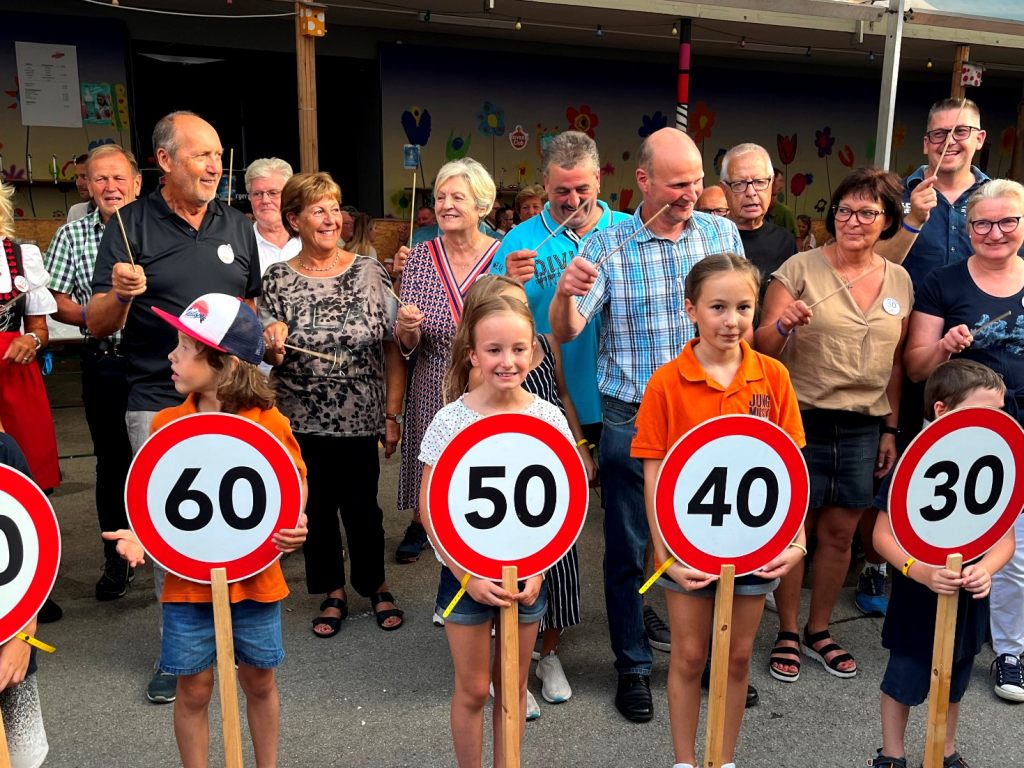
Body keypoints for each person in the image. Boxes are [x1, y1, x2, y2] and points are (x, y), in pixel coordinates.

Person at [550, 127, 744, 722]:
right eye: (678, 183)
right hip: (631, 416)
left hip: (709, 411)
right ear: (643, 181)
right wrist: (564, 294)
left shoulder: (720, 233)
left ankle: (704, 660)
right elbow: (567, 331)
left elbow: (740, 315)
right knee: (629, 546)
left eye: (697, 181)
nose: (691, 193)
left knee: (711, 540)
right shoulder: (608, 243)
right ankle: (632, 665)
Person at [87, 110, 261, 704]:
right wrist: (119, 295)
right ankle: (179, 651)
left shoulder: (237, 224)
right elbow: (96, 323)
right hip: (157, 399)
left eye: (218, 155)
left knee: (233, 516)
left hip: (230, 400)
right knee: (172, 526)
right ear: (163, 161)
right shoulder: (129, 224)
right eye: (201, 155)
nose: (215, 167)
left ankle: (233, 633)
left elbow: (250, 307)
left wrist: (268, 332)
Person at [104, 292, 308, 768]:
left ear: (226, 363)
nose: (171, 356)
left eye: (184, 347)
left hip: (255, 579)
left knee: (259, 681)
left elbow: (292, 486)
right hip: (187, 584)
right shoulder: (166, 423)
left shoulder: (269, 423)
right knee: (192, 689)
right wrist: (140, 535)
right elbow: (156, 501)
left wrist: (296, 524)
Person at [633, 254, 806, 768]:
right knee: (689, 655)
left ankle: (723, 759)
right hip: (687, 544)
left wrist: (796, 539)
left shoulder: (772, 376)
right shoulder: (667, 382)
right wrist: (665, 553)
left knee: (736, 656)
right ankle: (685, 760)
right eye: (717, 307)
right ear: (691, 309)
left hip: (754, 542)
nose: (732, 320)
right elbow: (654, 473)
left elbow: (790, 466)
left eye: (743, 307)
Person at [756, 167, 912, 683]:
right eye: (845, 210)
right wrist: (783, 324)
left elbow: (895, 363)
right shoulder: (799, 268)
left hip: (864, 424)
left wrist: (890, 429)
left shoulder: (899, 279)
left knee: (841, 534)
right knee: (794, 531)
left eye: (868, 212)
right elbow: (763, 349)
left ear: (887, 221)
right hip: (799, 418)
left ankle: (819, 630)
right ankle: (787, 630)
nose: (853, 220)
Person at [491, 130, 629, 700]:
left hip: (618, 398)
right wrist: (508, 282)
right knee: (545, 528)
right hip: (544, 400)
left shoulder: (628, 231)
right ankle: (531, 643)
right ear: (543, 185)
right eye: (560, 191)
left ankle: (628, 622)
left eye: (581, 189)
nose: (572, 200)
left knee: (625, 525)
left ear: (599, 180)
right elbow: (491, 319)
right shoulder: (519, 240)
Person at [420, 291, 569, 768]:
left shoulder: (548, 417)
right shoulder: (451, 420)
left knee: (513, 687)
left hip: (527, 577)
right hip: (464, 576)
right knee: (471, 690)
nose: (507, 361)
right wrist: (465, 575)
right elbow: (430, 509)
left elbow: (560, 506)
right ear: (473, 355)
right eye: (494, 350)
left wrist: (540, 569)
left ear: (533, 351)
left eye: (518, 349)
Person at [261, 171, 406, 636]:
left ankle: (375, 583)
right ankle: (332, 591)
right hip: (298, 418)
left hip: (360, 417)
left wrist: (391, 414)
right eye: (318, 210)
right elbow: (267, 354)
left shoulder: (368, 271)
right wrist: (272, 343)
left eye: (335, 208)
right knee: (316, 509)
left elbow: (392, 346)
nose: (330, 219)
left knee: (363, 508)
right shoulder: (278, 279)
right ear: (294, 220)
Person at [902, 179, 1024, 704]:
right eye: (982, 223)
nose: (995, 233)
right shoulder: (942, 281)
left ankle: (1010, 650)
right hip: (964, 434)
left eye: (1007, 221)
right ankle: (951, 640)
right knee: (971, 536)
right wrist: (944, 348)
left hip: (1021, 427)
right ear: (967, 227)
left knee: (1018, 547)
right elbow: (915, 368)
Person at [454, 275, 597, 718]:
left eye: (519, 308)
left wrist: (580, 446)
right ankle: (503, 667)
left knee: (559, 573)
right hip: (500, 499)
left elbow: (563, 395)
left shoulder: (547, 351)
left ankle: (546, 655)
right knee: (504, 585)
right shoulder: (480, 377)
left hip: (545, 491)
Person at [869, 359, 1012, 768]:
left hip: (968, 599)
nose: (994, 422)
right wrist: (919, 571)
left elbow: (1005, 540)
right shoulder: (913, 464)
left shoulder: (996, 466)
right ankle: (891, 753)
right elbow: (882, 535)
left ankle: (945, 749)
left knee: (954, 683)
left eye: (999, 414)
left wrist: (987, 569)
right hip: (919, 597)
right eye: (983, 412)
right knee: (903, 680)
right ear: (942, 411)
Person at [392, 158, 501, 564]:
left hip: (485, 381)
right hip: (432, 377)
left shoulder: (501, 255)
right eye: (440, 197)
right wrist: (407, 327)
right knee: (432, 456)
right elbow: (407, 343)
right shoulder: (419, 258)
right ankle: (422, 521)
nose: (446, 205)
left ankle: (482, 522)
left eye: (458, 196)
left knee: (482, 461)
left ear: (482, 205)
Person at [46, 144, 141, 600]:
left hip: (161, 361)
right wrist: (95, 316)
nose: (111, 187)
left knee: (168, 452)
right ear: (87, 184)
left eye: (119, 178)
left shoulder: (157, 227)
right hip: (105, 359)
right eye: (100, 179)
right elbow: (54, 299)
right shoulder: (72, 234)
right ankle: (117, 557)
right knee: (113, 460)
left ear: (137, 183)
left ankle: (177, 549)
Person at [0, 182, 60, 493]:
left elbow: (40, 330)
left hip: (14, 378)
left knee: (29, 484)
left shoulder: (22, 256)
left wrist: (31, 341)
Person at [0, 431, 49, 768]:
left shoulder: (4, 451)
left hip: (10, 644)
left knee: (22, 756)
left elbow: (36, 547)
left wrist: (24, 635)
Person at [720, 144, 796, 305]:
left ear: (771, 184)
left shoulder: (785, 241)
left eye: (760, 182)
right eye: (739, 184)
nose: (751, 192)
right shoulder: (709, 239)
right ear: (724, 189)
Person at [245, 157, 301, 276]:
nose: (265, 200)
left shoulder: (309, 239)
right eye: (257, 194)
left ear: (289, 196)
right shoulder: (240, 244)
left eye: (273, 193)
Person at [765, 170, 798, 237]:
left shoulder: (786, 212)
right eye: (780, 181)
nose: (782, 186)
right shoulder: (757, 210)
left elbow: (796, 240)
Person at [66, 153, 94, 222]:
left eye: (84, 177)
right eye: (76, 177)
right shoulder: (76, 212)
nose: (78, 184)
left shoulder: (116, 210)